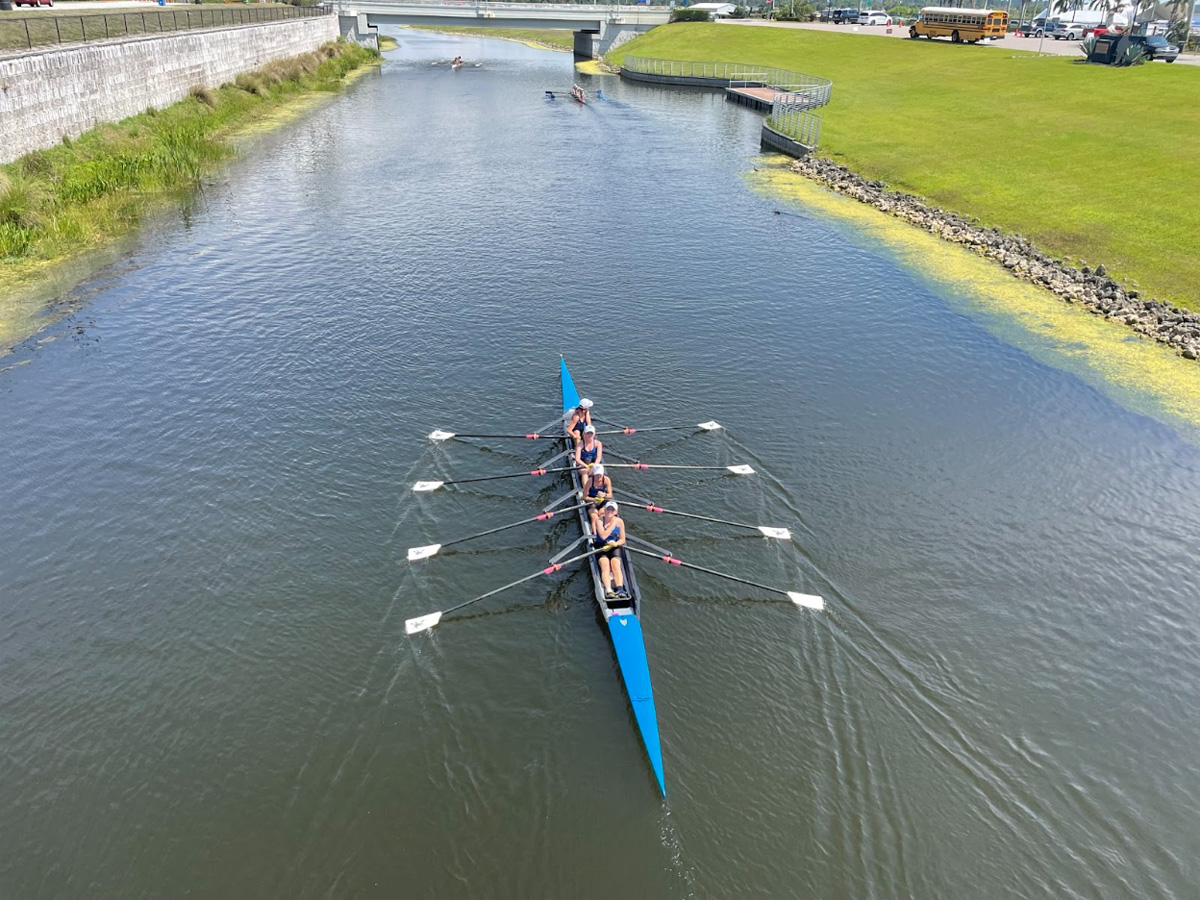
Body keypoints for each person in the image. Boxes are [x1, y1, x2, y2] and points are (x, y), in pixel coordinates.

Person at [592, 500, 628, 600]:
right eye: (608, 509)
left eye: (612, 510)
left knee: (616, 564)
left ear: (616, 512)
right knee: (605, 564)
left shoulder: (620, 522)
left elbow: (622, 539)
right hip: (601, 545)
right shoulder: (599, 520)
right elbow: (603, 536)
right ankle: (608, 590)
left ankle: (620, 589)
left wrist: (615, 543)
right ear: (605, 509)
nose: (610, 511)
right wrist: (612, 524)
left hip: (614, 546)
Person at [582, 464, 612, 531]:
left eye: (600, 475)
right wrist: (594, 499)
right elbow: (584, 497)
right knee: (594, 517)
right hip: (591, 501)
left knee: (603, 515)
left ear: (603, 473)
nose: (598, 477)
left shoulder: (607, 480)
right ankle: (595, 535)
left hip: (602, 501)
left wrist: (604, 495)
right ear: (594, 474)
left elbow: (610, 495)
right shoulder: (590, 481)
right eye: (596, 475)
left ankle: (605, 532)